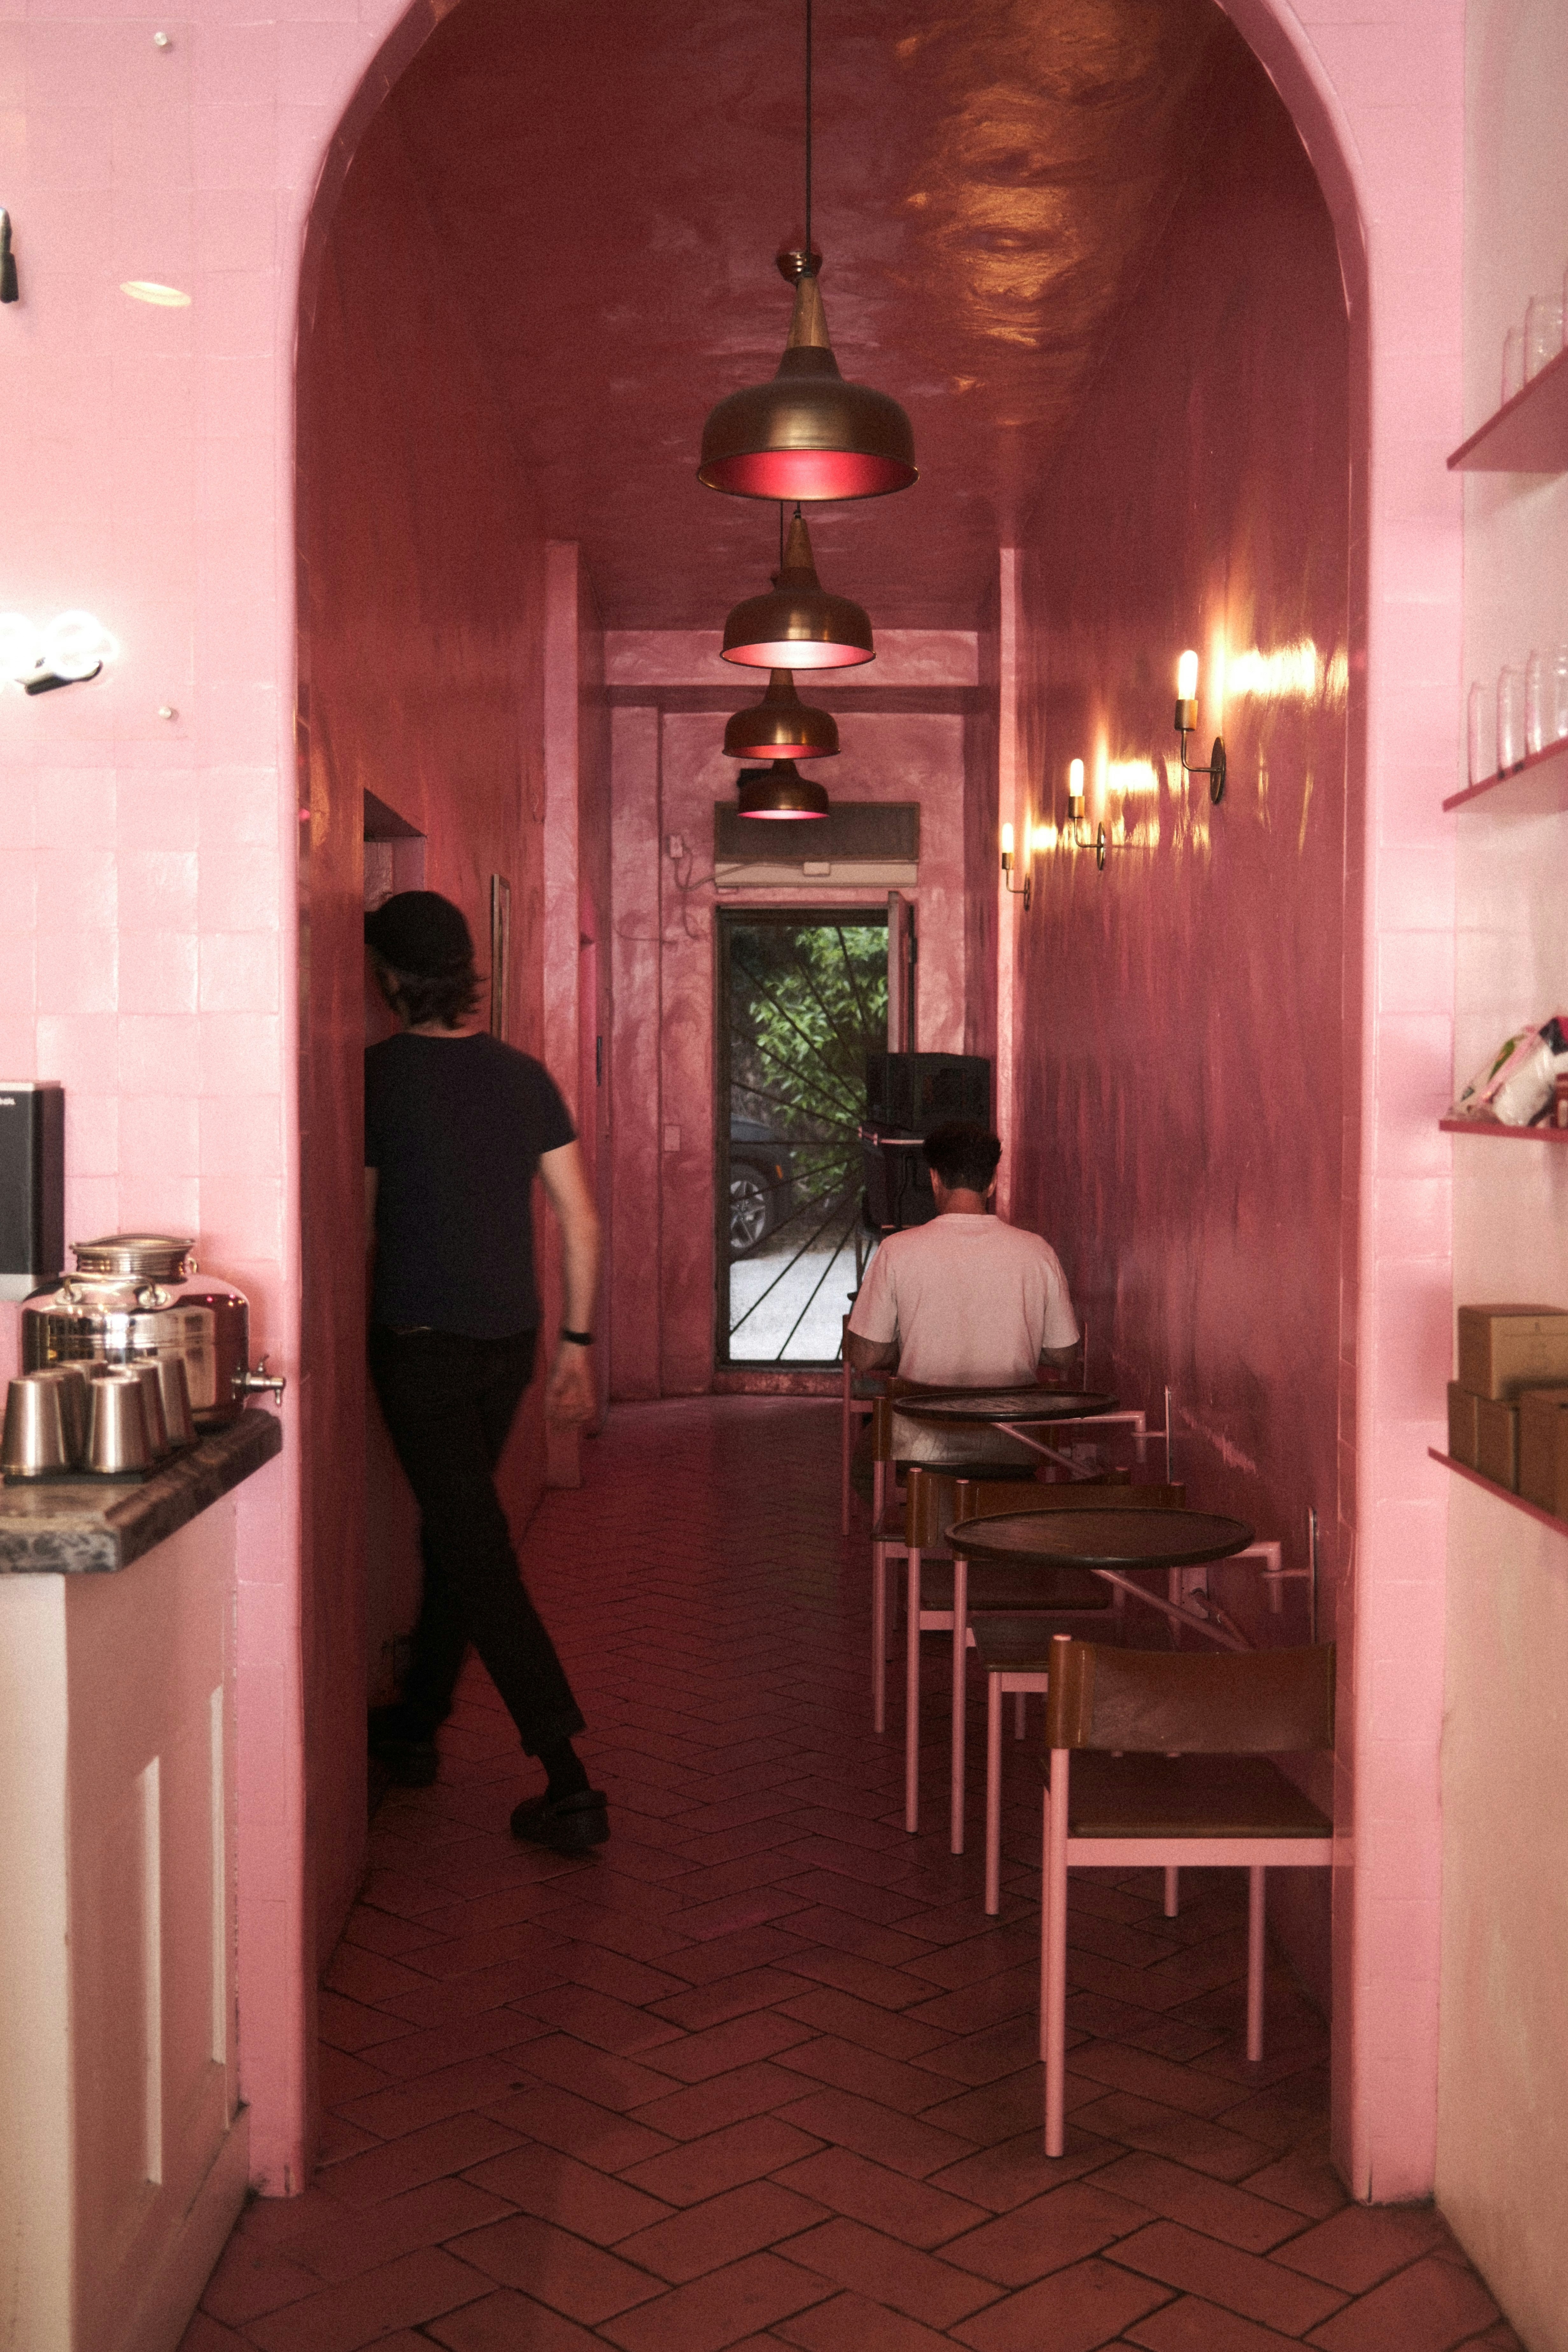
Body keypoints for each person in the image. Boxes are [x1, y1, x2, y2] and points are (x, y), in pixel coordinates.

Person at [362, 889, 607, 1855]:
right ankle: (418, 1722)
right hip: (511, 1343)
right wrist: (575, 1347)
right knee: (460, 1534)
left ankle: (568, 1777)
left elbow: (359, 1227)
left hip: (418, 1347)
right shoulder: (523, 1078)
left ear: (389, 978)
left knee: (477, 1549)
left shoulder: (376, 1079)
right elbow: (579, 1222)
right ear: (467, 970)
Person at [846, 1120, 1079, 1388]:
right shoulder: (1037, 1252)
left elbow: (865, 1356)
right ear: (992, 1183)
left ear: (935, 1179)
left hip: (923, 1414)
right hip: (1011, 1416)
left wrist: (910, 1345)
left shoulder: (896, 1251)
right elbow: (1064, 1355)